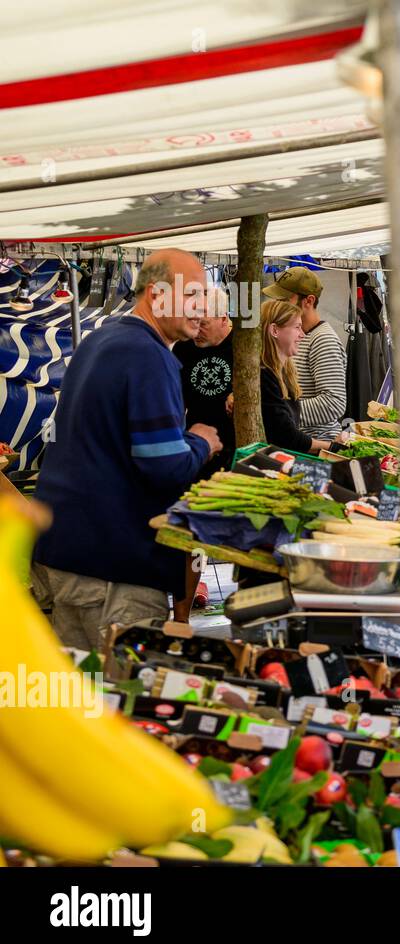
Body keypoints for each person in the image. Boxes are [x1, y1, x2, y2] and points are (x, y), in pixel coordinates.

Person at [30, 248, 223, 652]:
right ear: (155, 295)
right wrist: (201, 442)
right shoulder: (148, 355)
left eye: (204, 297)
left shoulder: (101, 339)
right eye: (191, 296)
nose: (201, 309)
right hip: (114, 570)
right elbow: (164, 466)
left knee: (82, 697)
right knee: (124, 697)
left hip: (67, 554)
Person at [262, 266, 345, 441]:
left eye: (284, 298)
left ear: (309, 301)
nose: (278, 302)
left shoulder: (323, 340)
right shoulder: (289, 335)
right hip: (296, 440)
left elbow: (334, 403)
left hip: (317, 444)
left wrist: (280, 413)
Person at [174, 286, 235, 480]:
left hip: (236, 448)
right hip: (198, 447)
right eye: (193, 322)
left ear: (223, 319)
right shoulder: (183, 347)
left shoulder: (243, 346)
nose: (195, 331)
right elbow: (177, 399)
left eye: (204, 324)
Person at [260, 300, 333, 456]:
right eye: (297, 327)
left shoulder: (285, 373)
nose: (302, 334)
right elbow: (286, 436)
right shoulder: (264, 376)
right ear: (274, 330)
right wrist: (333, 447)